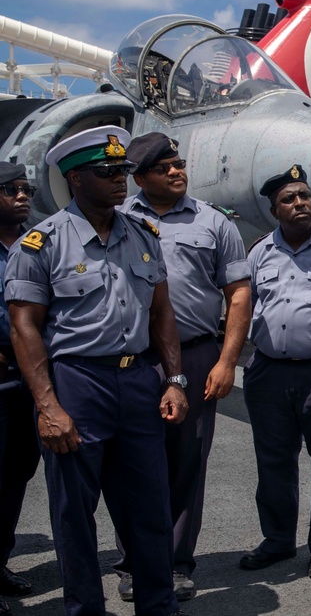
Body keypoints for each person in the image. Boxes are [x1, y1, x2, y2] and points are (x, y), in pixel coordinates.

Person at [4, 126, 189, 616]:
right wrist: (47, 406)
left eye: (123, 171)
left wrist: (174, 380)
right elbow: (25, 329)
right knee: (74, 514)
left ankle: (158, 605)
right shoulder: (40, 243)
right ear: (76, 179)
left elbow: (162, 313)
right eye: (107, 172)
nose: (119, 180)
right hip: (76, 382)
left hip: (138, 381)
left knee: (150, 506)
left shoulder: (143, 234)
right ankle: (85, 608)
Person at [115, 132, 252, 602]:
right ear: (139, 177)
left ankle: (174, 563)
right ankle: (135, 560)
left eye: (179, 164)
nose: (177, 172)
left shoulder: (215, 223)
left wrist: (227, 359)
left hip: (195, 354)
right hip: (131, 357)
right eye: (164, 167)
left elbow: (238, 293)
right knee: (130, 463)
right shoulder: (116, 221)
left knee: (186, 462)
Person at [240, 165, 311, 580]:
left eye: (304, 195)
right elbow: (242, 306)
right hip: (268, 372)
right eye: (289, 199)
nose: (299, 203)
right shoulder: (259, 251)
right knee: (273, 460)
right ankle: (278, 539)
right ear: (273, 209)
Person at [0, 164, 40, 616]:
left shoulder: (36, 244)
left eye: (26, 189)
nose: (22, 196)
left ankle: (1, 561)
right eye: (11, 190)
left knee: (15, 478)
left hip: (27, 382)